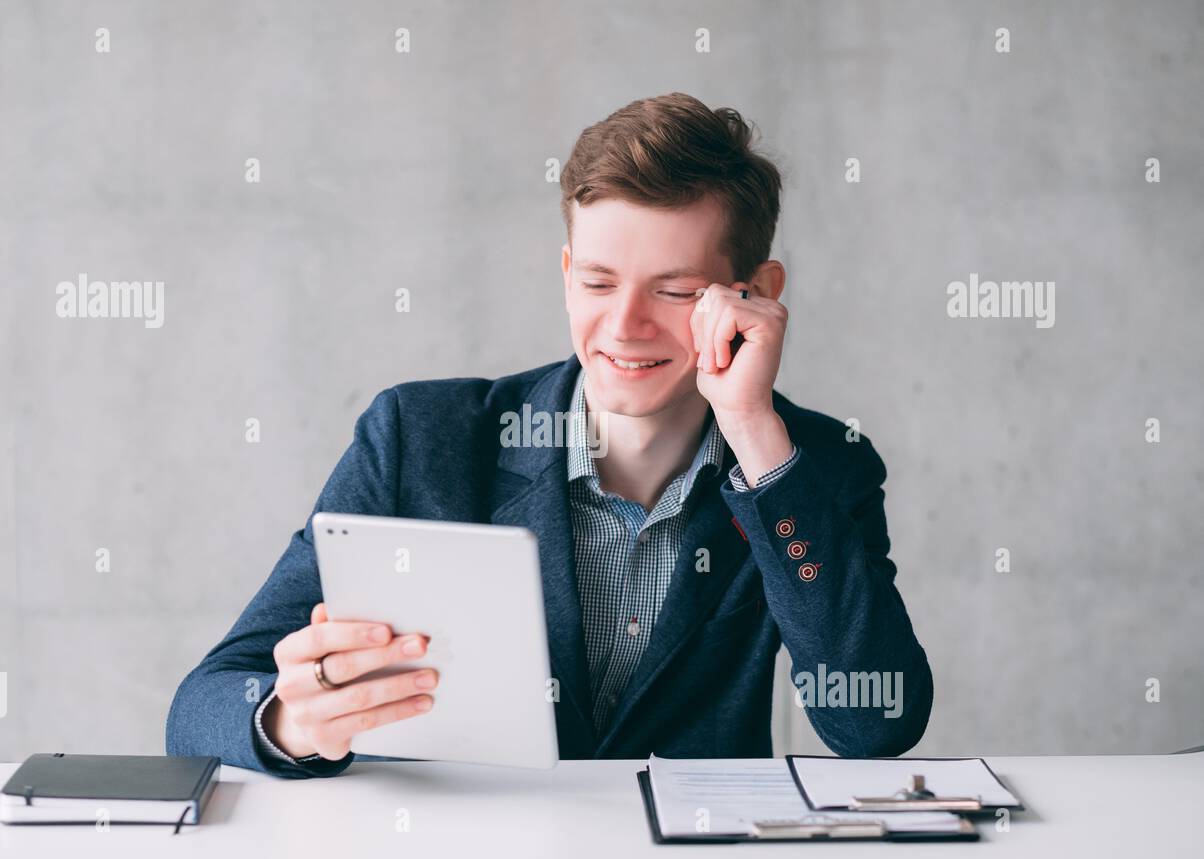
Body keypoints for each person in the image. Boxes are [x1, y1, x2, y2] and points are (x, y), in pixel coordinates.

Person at [166, 92, 933, 778]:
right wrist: (292, 720)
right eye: (598, 283)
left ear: (755, 297)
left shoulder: (814, 467)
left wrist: (753, 432)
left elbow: (876, 725)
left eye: (674, 291)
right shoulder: (419, 438)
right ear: (567, 274)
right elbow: (200, 706)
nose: (624, 326)